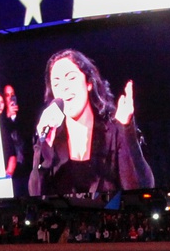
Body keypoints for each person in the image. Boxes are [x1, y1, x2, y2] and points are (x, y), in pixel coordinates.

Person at [28, 49, 153, 196]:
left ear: (89, 83)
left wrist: (126, 129)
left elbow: (140, 186)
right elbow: (35, 194)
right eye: (56, 83)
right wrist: (44, 149)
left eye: (71, 78)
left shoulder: (113, 131)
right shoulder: (51, 137)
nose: (64, 87)